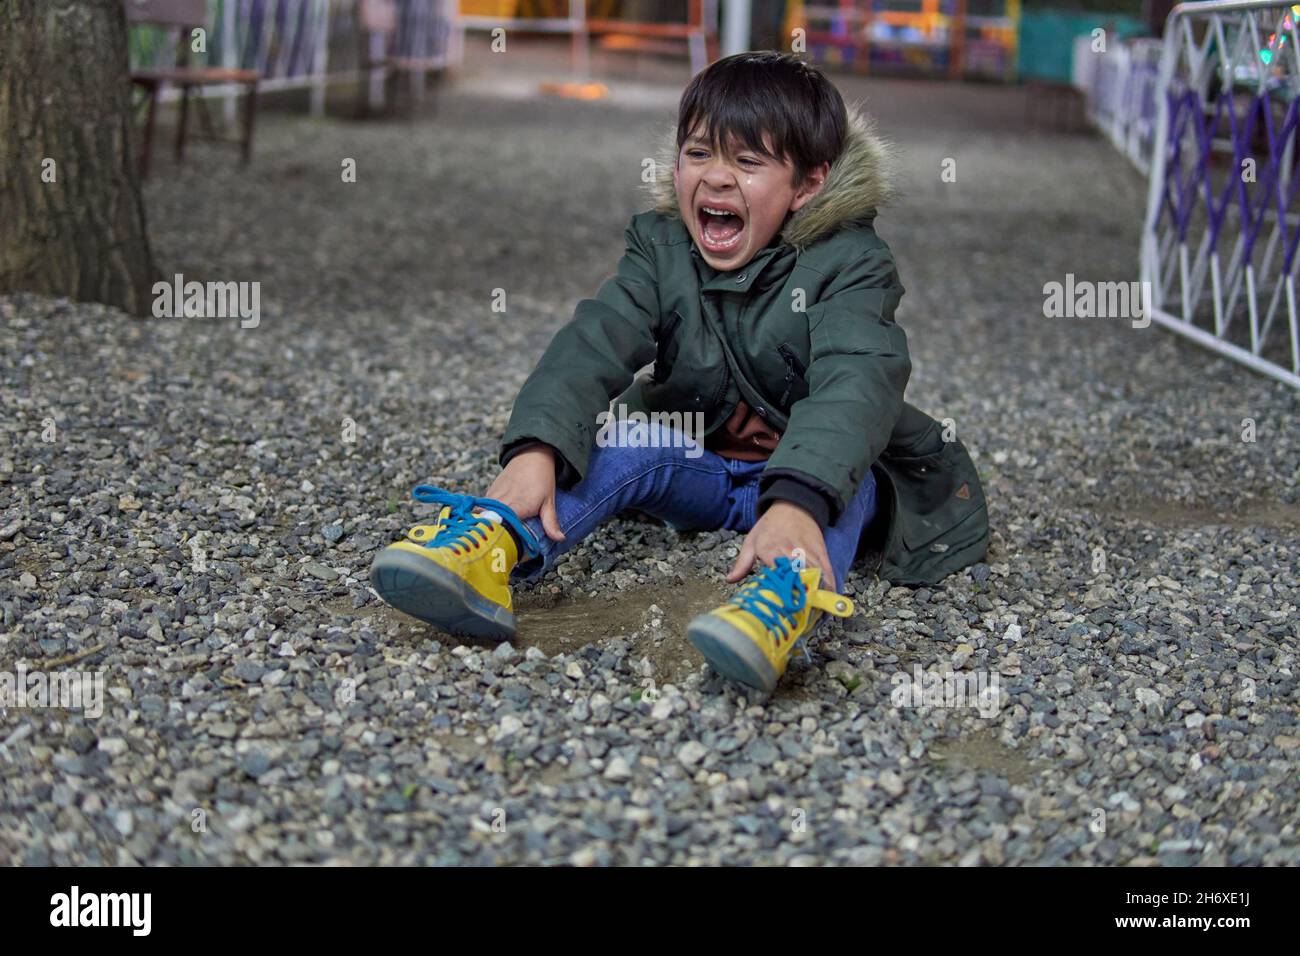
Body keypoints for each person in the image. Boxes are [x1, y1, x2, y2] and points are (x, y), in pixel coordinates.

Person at [370, 51, 989, 694]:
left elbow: (856, 385)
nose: (716, 179)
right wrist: (537, 446)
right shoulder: (663, 247)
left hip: (812, 484)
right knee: (623, 445)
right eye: (699, 154)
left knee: (852, 487)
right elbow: (594, 341)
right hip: (707, 468)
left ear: (807, 184)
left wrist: (800, 500)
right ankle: (495, 546)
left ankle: (778, 604)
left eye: (748, 163)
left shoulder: (851, 263)